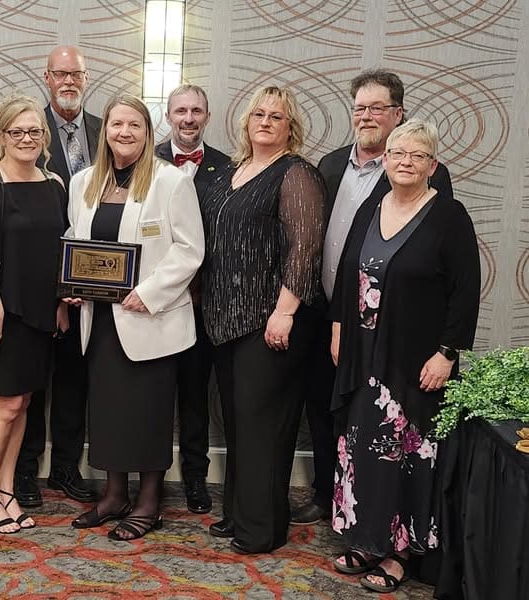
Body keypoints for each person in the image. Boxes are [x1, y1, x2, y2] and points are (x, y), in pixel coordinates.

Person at [294, 69, 455, 526]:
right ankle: (331, 496)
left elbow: (443, 266)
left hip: (391, 329)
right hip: (329, 314)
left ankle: (382, 515)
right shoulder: (327, 166)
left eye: (377, 107)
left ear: (398, 114)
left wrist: (445, 345)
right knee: (327, 407)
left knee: (385, 422)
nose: (366, 115)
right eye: (360, 107)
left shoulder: (418, 172)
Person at [329, 120, 479, 593]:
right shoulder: (371, 209)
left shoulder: (449, 216)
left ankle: (399, 555)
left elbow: (465, 292)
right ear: (386, 160)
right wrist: (338, 330)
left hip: (416, 365)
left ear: (432, 165)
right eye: (398, 154)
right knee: (362, 452)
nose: (405, 162)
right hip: (363, 358)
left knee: (406, 458)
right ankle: (365, 538)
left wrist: (447, 353)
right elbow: (347, 272)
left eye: (417, 155)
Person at [66, 94, 204, 540]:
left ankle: (148, 503)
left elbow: (190, 249)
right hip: (100, 319)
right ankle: (112, 496)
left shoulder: (171, 181)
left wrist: (149, 293)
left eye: (134, 125)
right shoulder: (83, 181)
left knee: (147, 414)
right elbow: (75, 239)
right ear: (103, 131)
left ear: (148, 132)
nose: (124, 132)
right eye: (116, 124)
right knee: (106, 412)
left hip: (151, 319)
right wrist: (71, 285)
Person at [200, 86, 325, 554]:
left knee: (263, 427)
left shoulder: (296, 174)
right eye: (259, 113)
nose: (266, 121)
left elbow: (305, 249)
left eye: (277, 116)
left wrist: (284, 312)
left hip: (271, 321)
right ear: (246, 121)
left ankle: (262, 530)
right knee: (237, 423)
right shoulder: (230, 172)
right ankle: (238, 514)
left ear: (290, 127)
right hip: (225, 320)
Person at [0, 94, 66, 534]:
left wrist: (61, 301)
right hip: (1, 312)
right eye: (16, 131)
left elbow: (62, 251)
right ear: (2, 136)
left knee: (22, 405)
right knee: (2, 405)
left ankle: (6, 491)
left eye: (34, 131)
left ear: (44, 137)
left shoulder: (55, 183)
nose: (26, 139)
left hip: (41, 314)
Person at [15, 45, 102, 508]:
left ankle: (65, 468)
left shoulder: (104, 130)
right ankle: (25, 471)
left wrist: (78, 287)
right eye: (60, 74)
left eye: (77, 74)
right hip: (34, 280)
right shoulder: (28, 129)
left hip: (86, 284)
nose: (68, 81)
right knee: (31, 380)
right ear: (46, 77)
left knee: (74, 381)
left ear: (86, 79)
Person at [155, 83, 230, 514]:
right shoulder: (148, 160)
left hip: (204, 304)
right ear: (168, 116)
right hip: (155, 302)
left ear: (207, 116)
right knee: (155, 393)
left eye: (196, 111)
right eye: (180, 110)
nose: (188, 118)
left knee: (196, 395)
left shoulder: (229, 167)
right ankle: (150, 474)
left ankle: (196, 479)